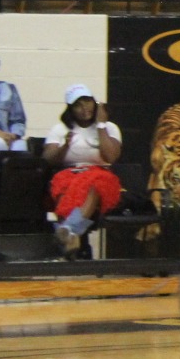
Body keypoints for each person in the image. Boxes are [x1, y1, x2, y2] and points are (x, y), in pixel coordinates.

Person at [44, 85, 121, 257]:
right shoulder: (60, 129)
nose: (84, 108)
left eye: (87, 101)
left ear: (95, 103)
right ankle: (71, 236)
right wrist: (64, 146)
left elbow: (111, 157)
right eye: (78, 105)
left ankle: (67, 229)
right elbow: (48, 159)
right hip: (69, 172)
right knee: (65, 186)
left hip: (100, 173)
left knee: (95, 183)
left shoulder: (110, 128)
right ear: (71, 109)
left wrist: (101, 125)